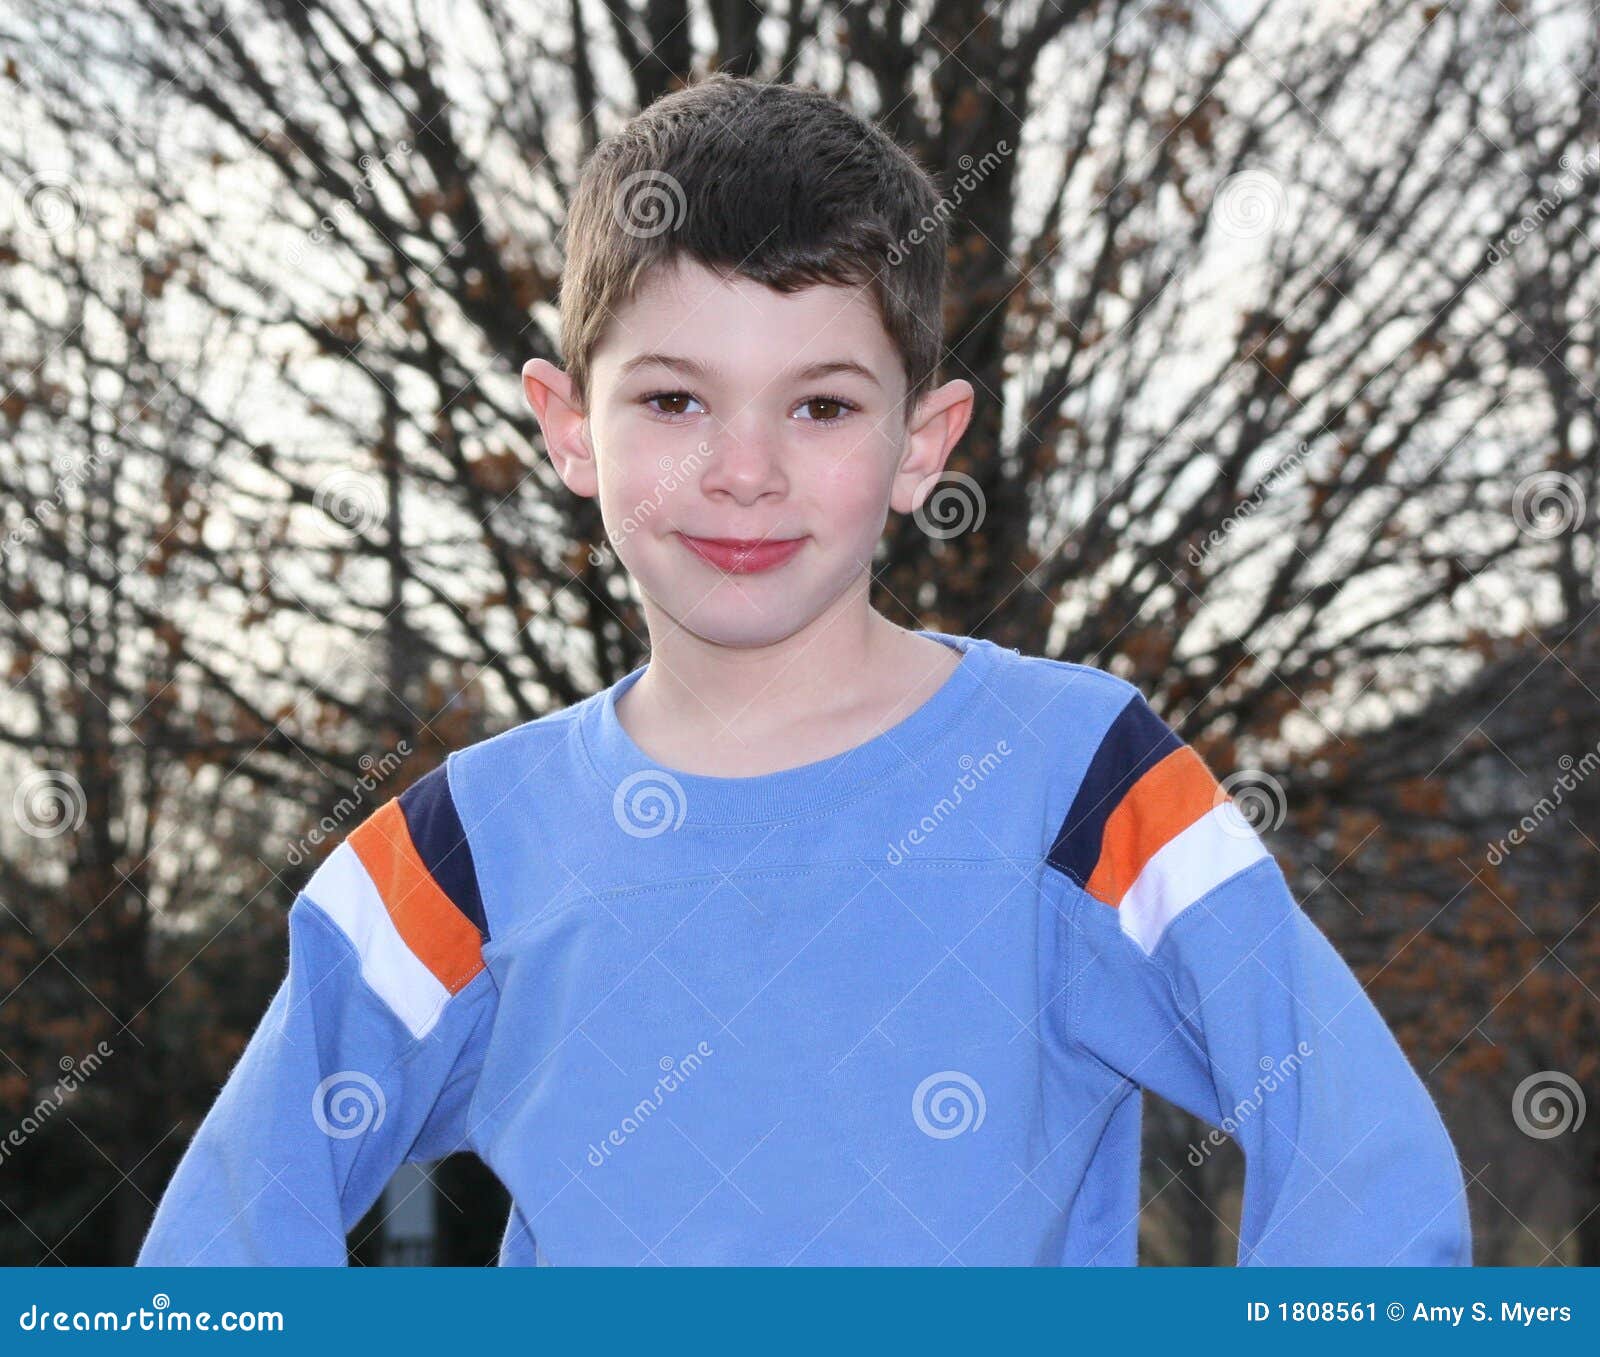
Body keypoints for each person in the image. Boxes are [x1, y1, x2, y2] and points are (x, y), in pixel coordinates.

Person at [136, 72, 1472, 1267]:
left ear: (922, 442)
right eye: (673, 398)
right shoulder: (462, 847)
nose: (744, 469)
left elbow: (1365, 1165)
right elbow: (226, 1249)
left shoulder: (1080, 780)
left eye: (822, 404)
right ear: (567, 425)